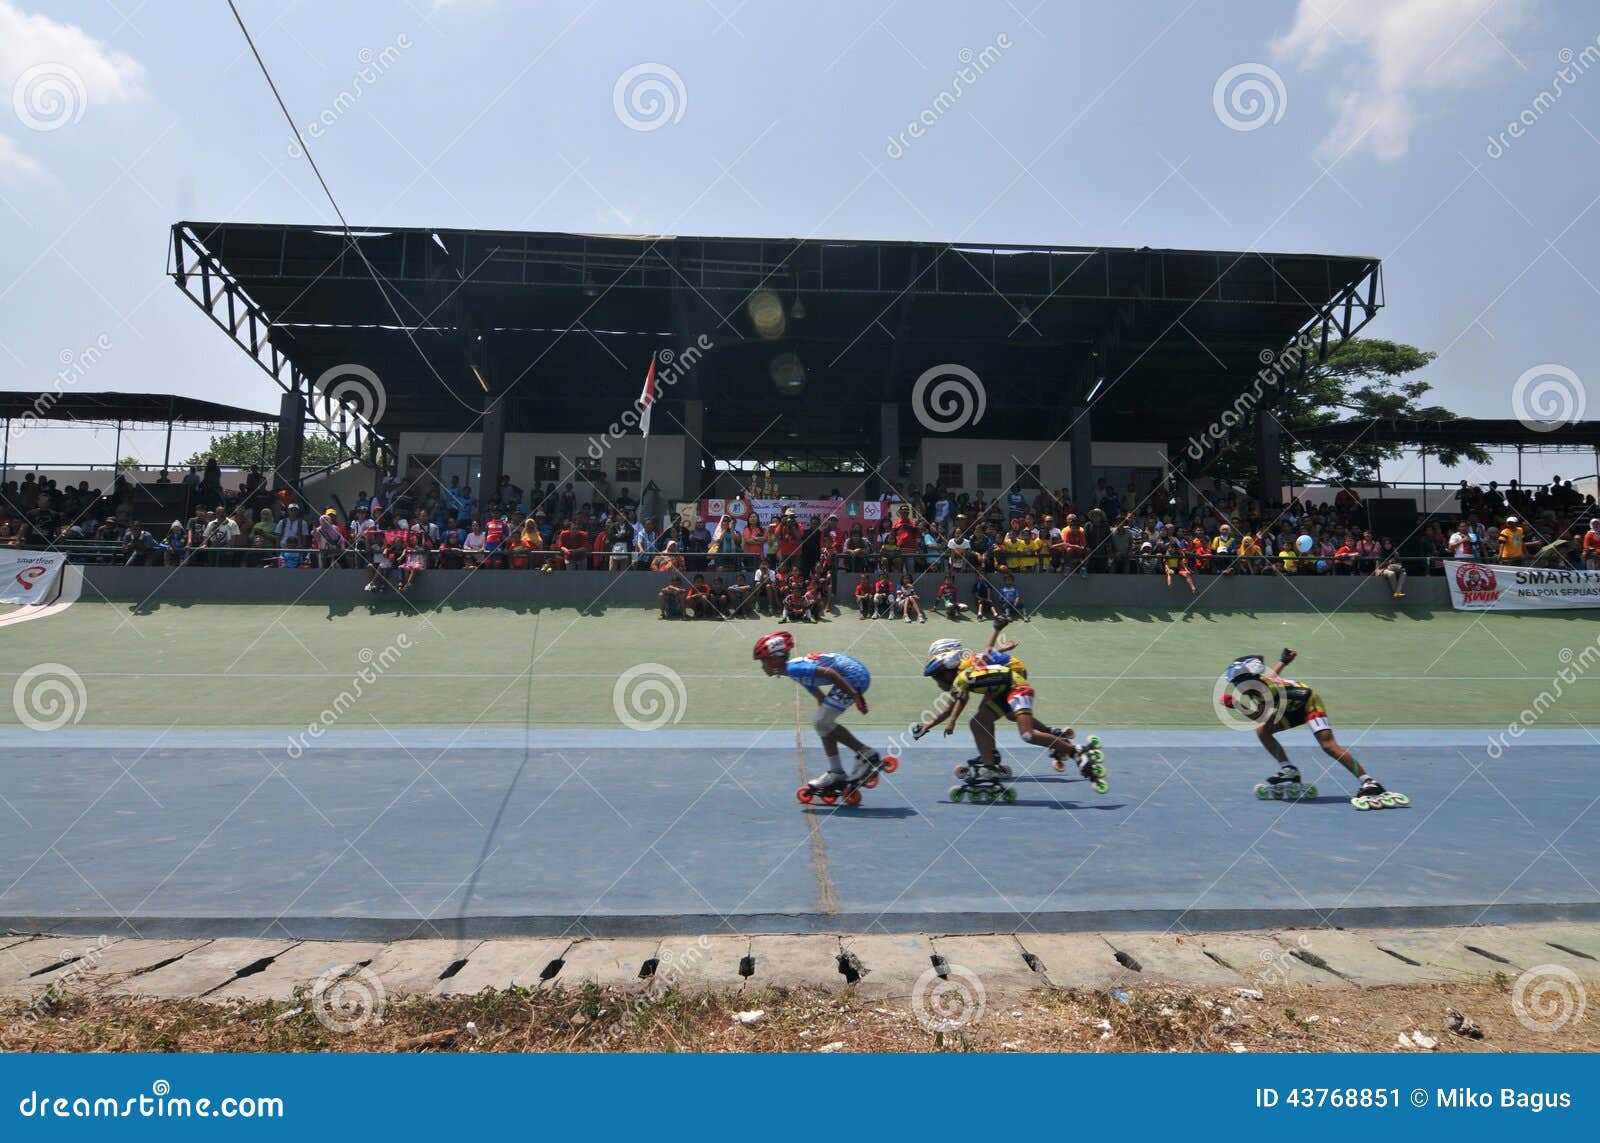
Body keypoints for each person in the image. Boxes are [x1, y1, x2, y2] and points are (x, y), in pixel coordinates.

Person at [913, 622, 1104, 791]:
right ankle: (990, 763)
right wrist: (930, 726)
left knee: (1025, 732)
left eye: (939, 680)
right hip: (1002, 684)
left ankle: (1074, 751)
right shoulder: (964, 673)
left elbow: (955, 703)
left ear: (948, 670)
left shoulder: (965, 672)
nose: (939, 685)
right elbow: (987, 655)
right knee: (981, 721)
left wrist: (945, 723)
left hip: (1014, 680)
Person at [1219, 648, 1408, 810]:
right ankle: (1289, 770)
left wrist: (1237, 705)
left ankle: (1369, 781)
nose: (1237, 686)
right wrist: (1283, 661)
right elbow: (1272, 677)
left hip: (1309, 704)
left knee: (1329, 746)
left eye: (1238, 683)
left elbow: (1260, 714)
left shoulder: (1264, 691)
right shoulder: (1258, 686)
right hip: (1292, 707)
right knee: (1263, 731)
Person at [754, 630, 889, 797]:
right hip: (850, 675)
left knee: (821, 722)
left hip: (853, 676)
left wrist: (855, 695)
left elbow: (829, 673)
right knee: (823, 725)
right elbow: (810, 683)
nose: (762, 666)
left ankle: (867, 755)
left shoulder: (794, 668)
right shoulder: (792, 670)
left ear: (775, 660)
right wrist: (820, 698)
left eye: (763, 662)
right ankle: (836, 772)